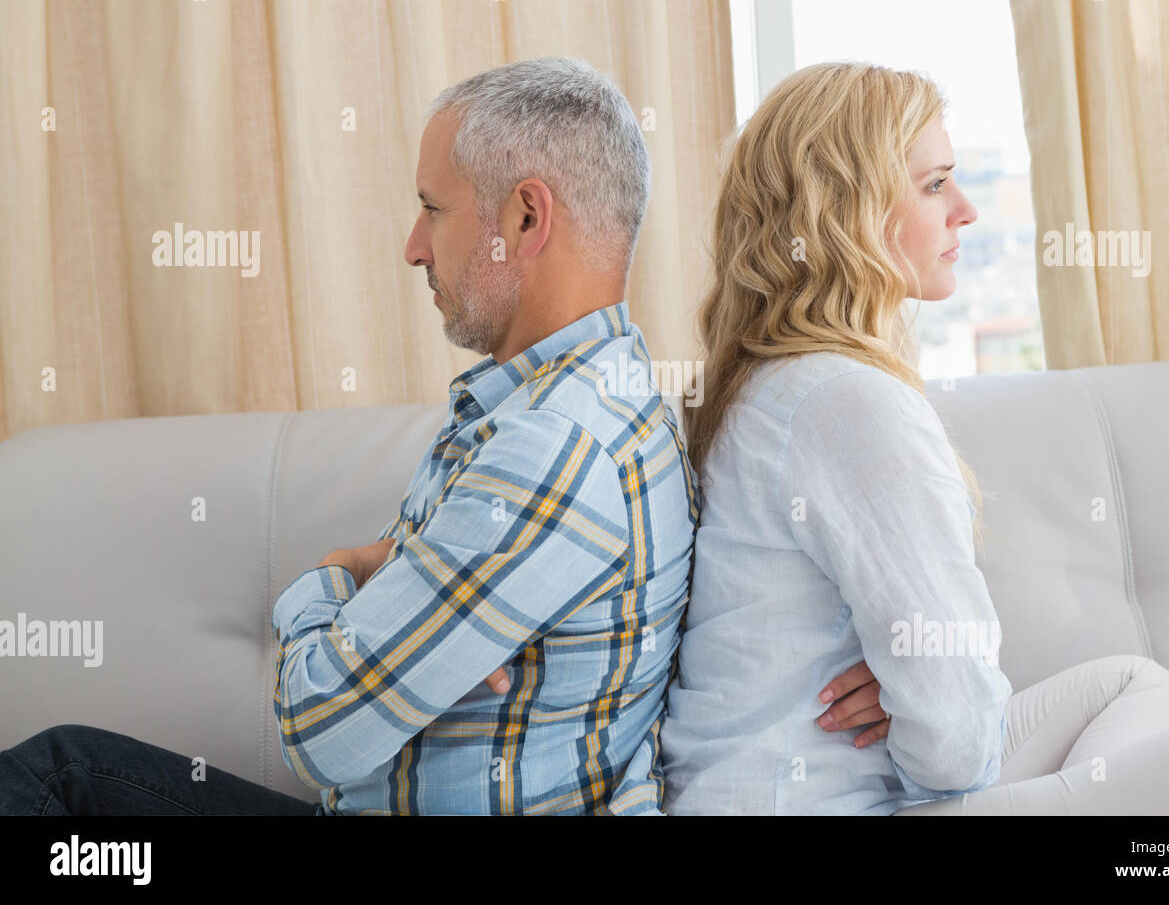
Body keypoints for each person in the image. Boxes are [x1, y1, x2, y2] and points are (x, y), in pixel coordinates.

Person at [1, 56, 699, 815]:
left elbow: (320, 726)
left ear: (525, 219)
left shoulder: (555, 447)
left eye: (432, 208)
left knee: (50, 780)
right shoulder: (604, 394)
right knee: (62, 770)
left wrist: (334, 576)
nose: (413, 247)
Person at [659, 60, 1169, 815]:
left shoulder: (769, 382)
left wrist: (918, 687)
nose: (964, 209)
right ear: (848, 211)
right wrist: (927, 690)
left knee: (1139, 684)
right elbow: (954, 751)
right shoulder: (851, 403)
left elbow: (950, 719)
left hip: (794, 790)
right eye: (934, 185)